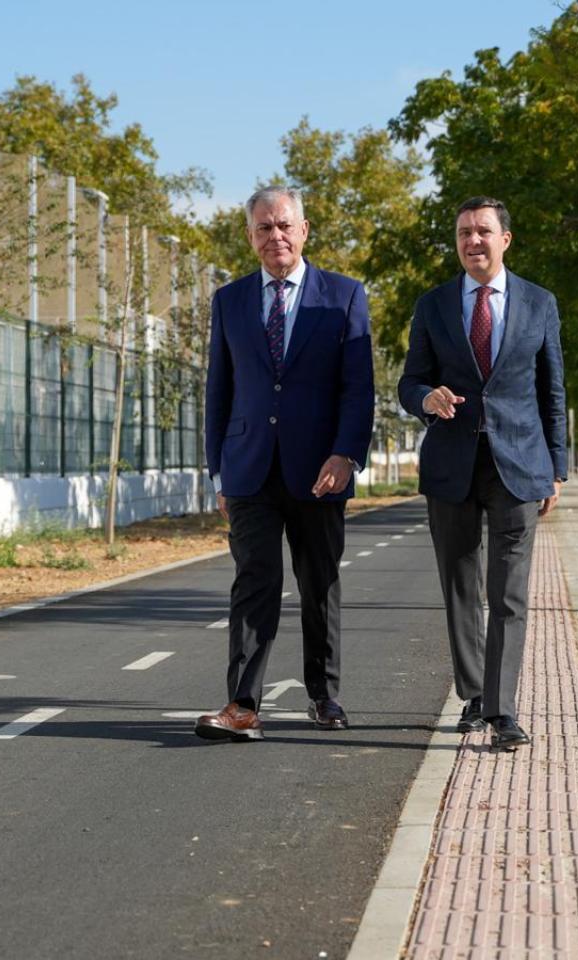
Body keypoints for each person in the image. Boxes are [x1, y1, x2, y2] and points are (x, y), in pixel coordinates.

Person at [196, 186, 374, 742]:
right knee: (254, 581)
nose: (275, 236)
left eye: (283, 225)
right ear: (250, 237)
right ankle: (243, 705)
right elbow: (219, 391)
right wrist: (218, 472)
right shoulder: (229, 301)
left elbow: (358, 388)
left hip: (321, 470)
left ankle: (324, 696)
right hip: (249, 468)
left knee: (318, 583)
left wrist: (346, 454)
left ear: (304, 230)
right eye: (263, 228)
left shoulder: (343, 296)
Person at [397, 196, 568, 751]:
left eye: (483, 231)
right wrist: (426, 398)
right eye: (464, 232)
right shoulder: (433, 305)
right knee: (461, 586)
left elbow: (553, 391)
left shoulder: (540, 303)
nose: (473, 240)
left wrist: (558, 469)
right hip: (451, 465)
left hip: (519, 465)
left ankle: (502, 710)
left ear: (505, 240)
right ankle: (473, 695)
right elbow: (409, 382)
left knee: (509, 592)